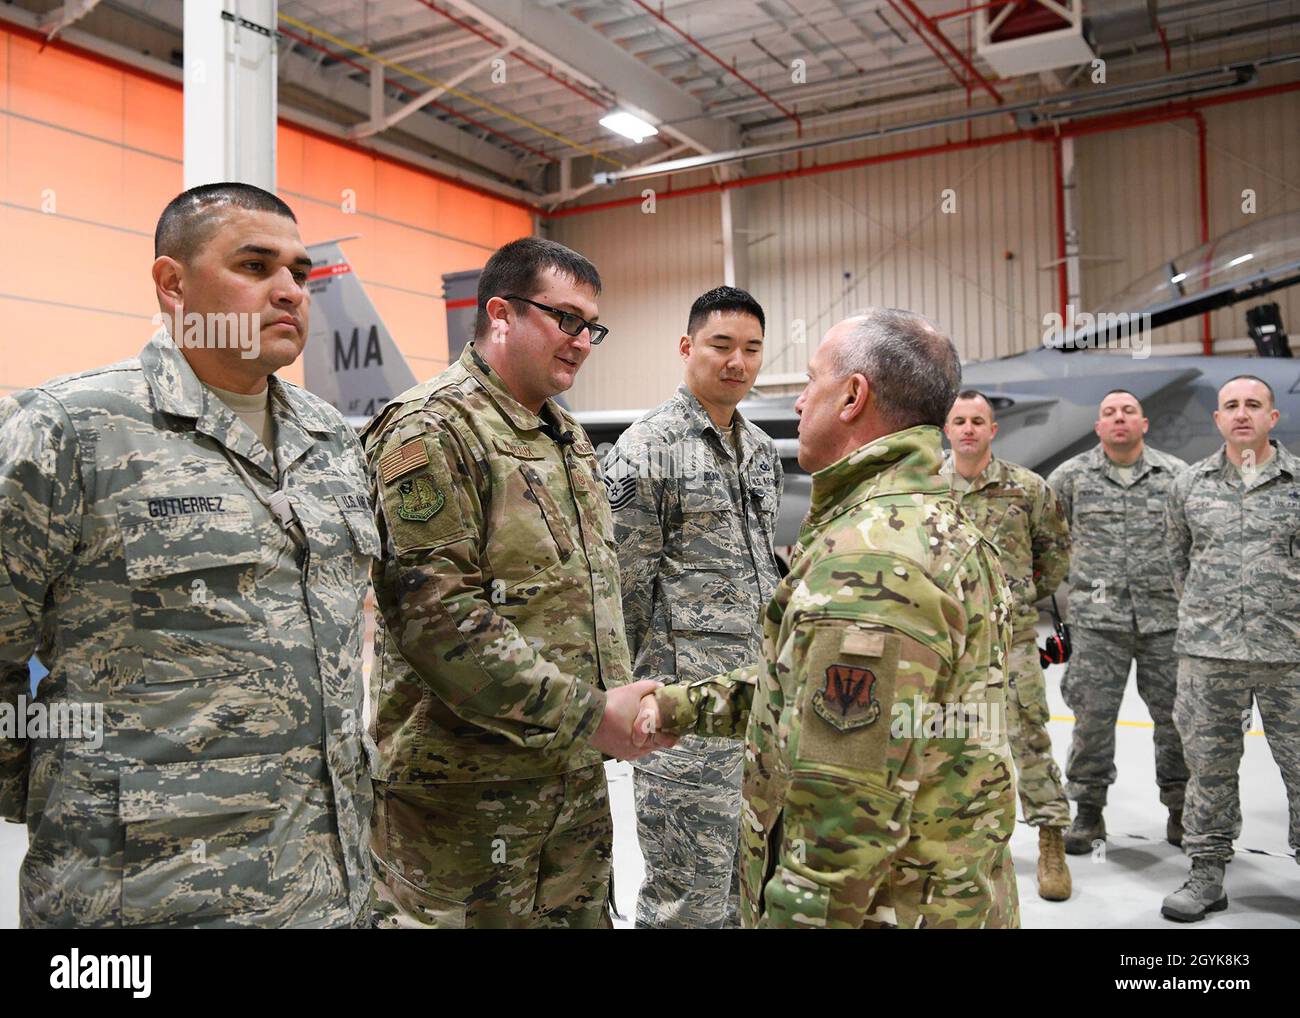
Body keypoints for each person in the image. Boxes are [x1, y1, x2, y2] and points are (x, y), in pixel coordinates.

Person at [0, 183, 375, 928]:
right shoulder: (72, 429)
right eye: (255, 265)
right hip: (145, 895)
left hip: (329, 887)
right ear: (173, 284)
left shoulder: (332, 439)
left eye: (299, 273)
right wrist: (52, 789)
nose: (289, 292)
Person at [636, 309, 1019, 929]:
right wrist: (673, 705)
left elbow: (841, 833)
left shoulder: (872, 561)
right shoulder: (923, 521)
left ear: (852, 396)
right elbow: (812, 695)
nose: (796, 403)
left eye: (810, 382)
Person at [361, 237, 668, 929]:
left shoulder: (564, 436)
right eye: (566, 319)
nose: (583, 341)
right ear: (501, 312)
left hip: (571, 790)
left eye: (592, 326)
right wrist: (594, 713)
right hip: (464, 804)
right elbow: (439, 623)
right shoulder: (432, 429)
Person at [602, 286, 783, 929]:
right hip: (684, 713)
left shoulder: (761, 453)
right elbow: (621, 587)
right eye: (721, 345)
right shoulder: (647, 447)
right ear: (687, 348)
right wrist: (625, 703)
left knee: (751, 885)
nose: (737, 362)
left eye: (752, 349)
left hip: (753, 703)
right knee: (687, 900)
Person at [1161, 375, 1300, 921]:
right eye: (1231, 406)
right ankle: (1206, 874)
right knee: (1209, 770)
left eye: (1254, 405)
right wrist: (1211, 616)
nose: (1242, 414)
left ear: (1273, 417)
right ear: (1218, 419)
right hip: (1208, 655)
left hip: (1290, 655)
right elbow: (1179, 563)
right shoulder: (1190, 485)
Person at [943, 390, 1073, 901]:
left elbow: (1055, 554)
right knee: (951, 740)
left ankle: (1051, 841)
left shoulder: (1026, 488)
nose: (969, 428)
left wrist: (1016, 599)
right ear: (946, 430)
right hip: (950, 638)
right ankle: (960, 843)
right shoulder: (929, 489)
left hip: (1012, 636)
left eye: (979, 420)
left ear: (993, 430)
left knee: (1027, 735)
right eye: (960, 421)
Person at [1047, 390, 1189, 853]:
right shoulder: (1070, 477)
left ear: (1144, 424)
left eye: (1128, 411)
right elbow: (1050, 541)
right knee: (1092, 721)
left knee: (1175, 721)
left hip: (1164, 621)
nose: (1119, 418)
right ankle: (1087, 813)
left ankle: (1181, 810)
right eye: (1109, 412)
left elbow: (1191, 542)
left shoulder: (1176, 476)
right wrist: (1083, 585)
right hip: (1096, 625)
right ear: (1099, 427)